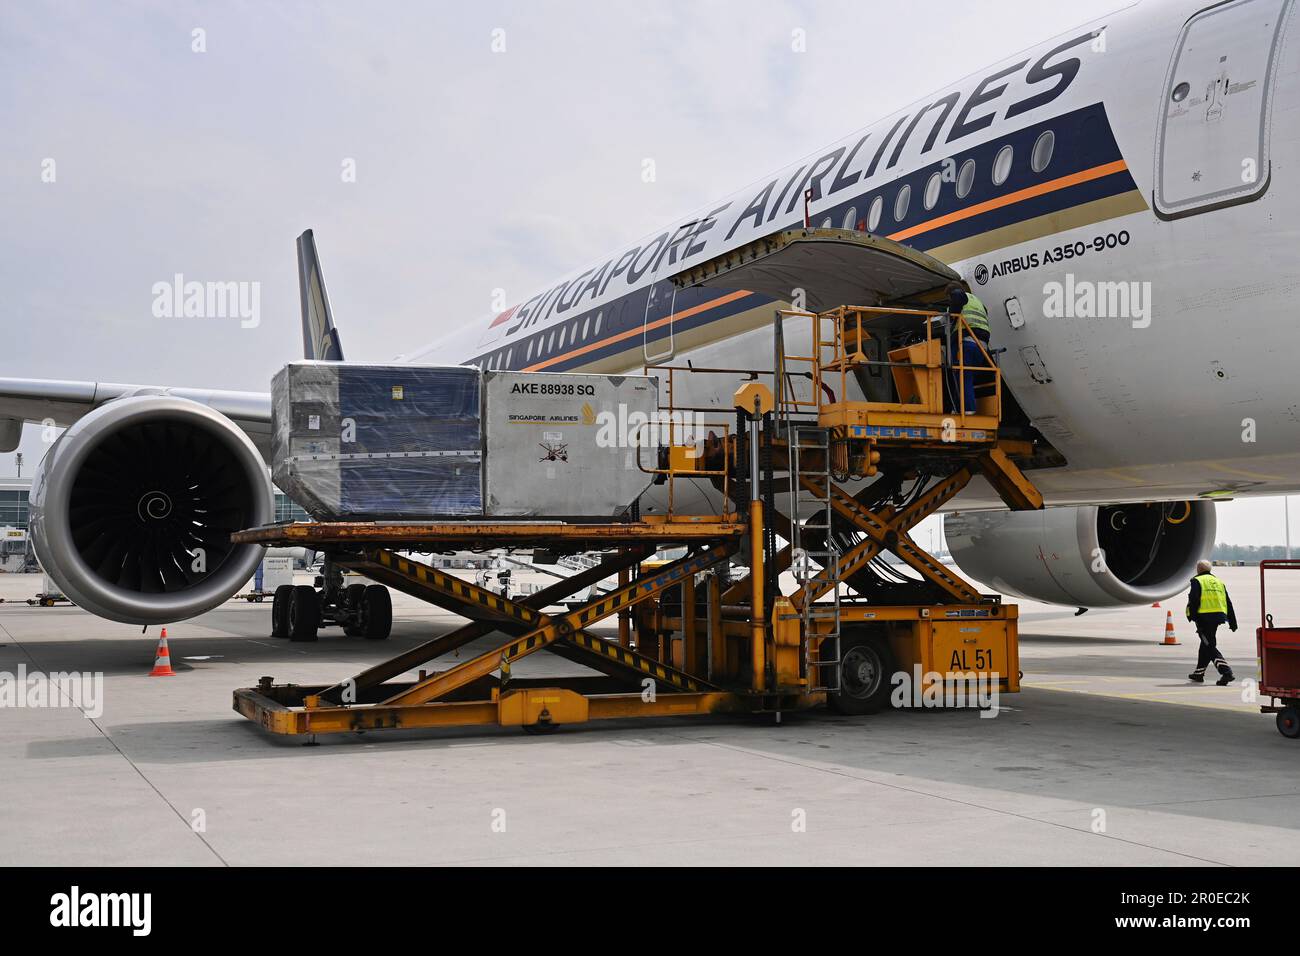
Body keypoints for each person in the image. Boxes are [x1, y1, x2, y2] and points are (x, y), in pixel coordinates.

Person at [1185, 559, 1237, 685]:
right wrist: (1232, 621)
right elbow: (1228, 602)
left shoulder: (1197, 581)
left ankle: (1226, 672)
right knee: (1205, 644)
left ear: (1199, 569)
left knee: (1209, 646)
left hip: (1204, 618)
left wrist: (1192, 616)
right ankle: (1199, 673)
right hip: (1218, 617)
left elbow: (1194, 600)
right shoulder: (1218, 582)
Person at [944, 283, 991, 413]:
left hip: (966, 342)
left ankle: (968, 409)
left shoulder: (958, 294)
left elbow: (957, 295)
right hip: (982, 345)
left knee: (962, 376)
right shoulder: (977, 301)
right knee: (964, 376)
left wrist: (952, 315)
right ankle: (958, 408)